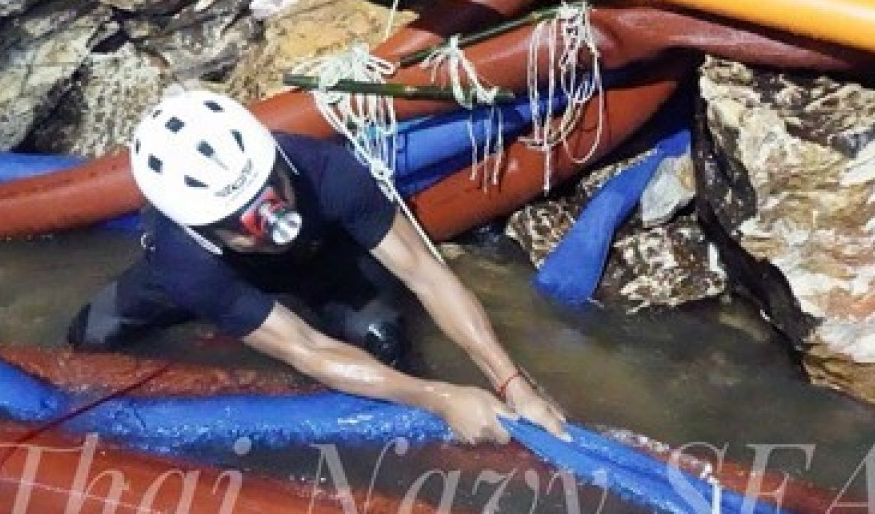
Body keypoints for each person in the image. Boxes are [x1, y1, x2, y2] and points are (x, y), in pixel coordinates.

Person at [67, 90, 568, 445]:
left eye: (272, 193)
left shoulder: (326, 170)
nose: (268, 224)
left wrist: (511, 384)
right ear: (200, 227)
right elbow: (306, 350)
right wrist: (442, 398)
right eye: (240, 221)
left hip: (318, 258)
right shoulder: (185, 258)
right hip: (212, 278)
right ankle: (225, 318)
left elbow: (426, 273)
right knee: (89, 338)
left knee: (383, 340)